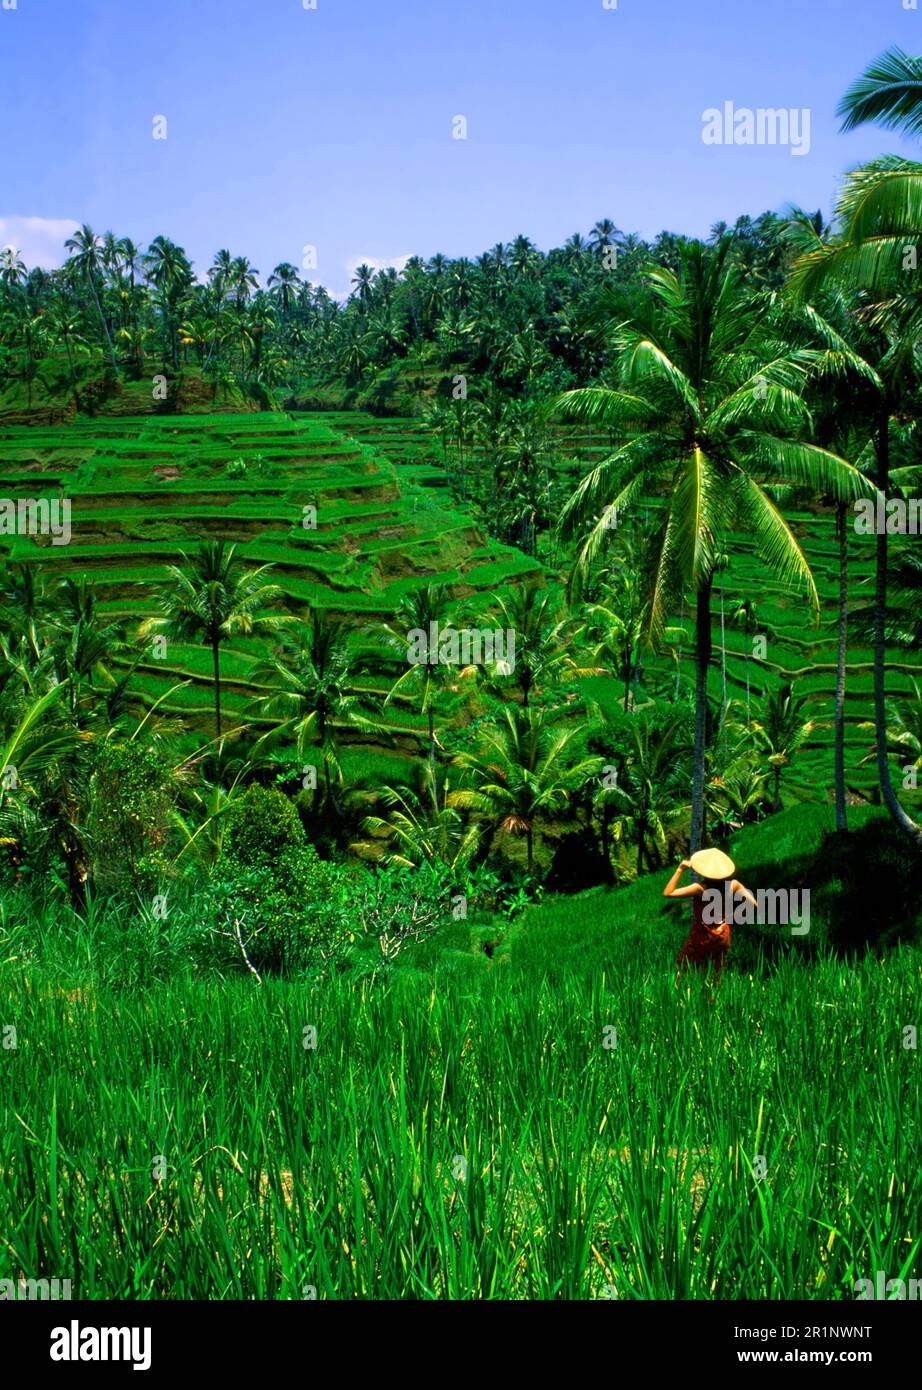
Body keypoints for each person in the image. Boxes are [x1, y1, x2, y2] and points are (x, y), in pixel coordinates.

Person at [663, 847, 757, 979]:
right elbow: (753, 903)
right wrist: (731, 917)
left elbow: (668, 892)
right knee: (716, 973)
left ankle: (683, 998)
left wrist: (680, 869)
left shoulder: (699, 888)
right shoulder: (733, 885)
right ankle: (714, 998)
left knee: (684, 969)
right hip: (722, 933)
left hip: (702, 934)